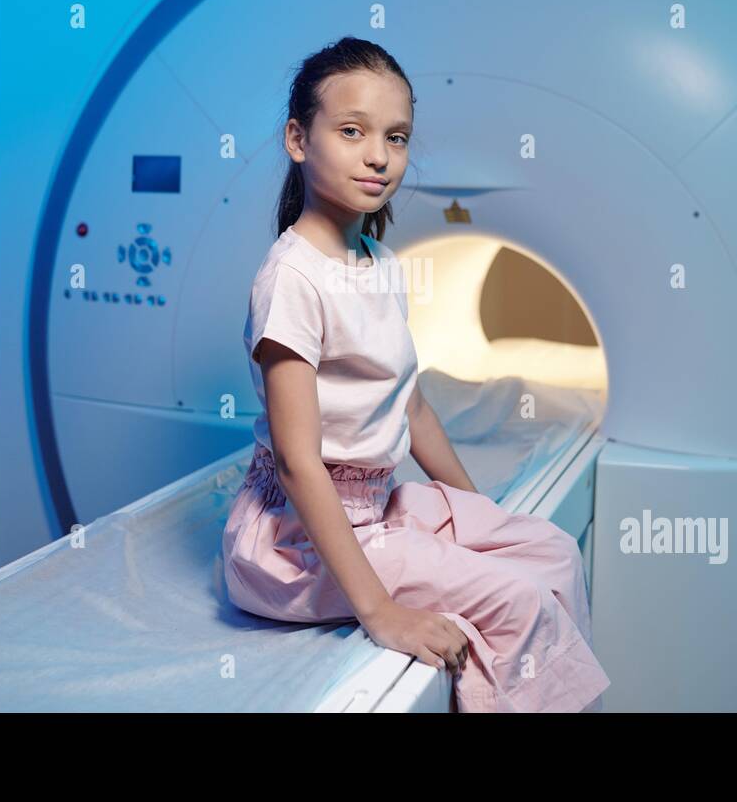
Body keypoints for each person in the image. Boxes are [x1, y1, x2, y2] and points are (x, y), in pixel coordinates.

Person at [222, 36, 610, 712]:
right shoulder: (292, 279)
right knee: (519, 604)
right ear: (297, 138)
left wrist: (474, 513)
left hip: (375, 505)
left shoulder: (379, 261)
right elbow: (296, 462)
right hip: (296, 543)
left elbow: (413, 409)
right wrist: (380, 611)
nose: (379, 155)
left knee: (551, 554)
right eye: (352, 131)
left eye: (396, 138)